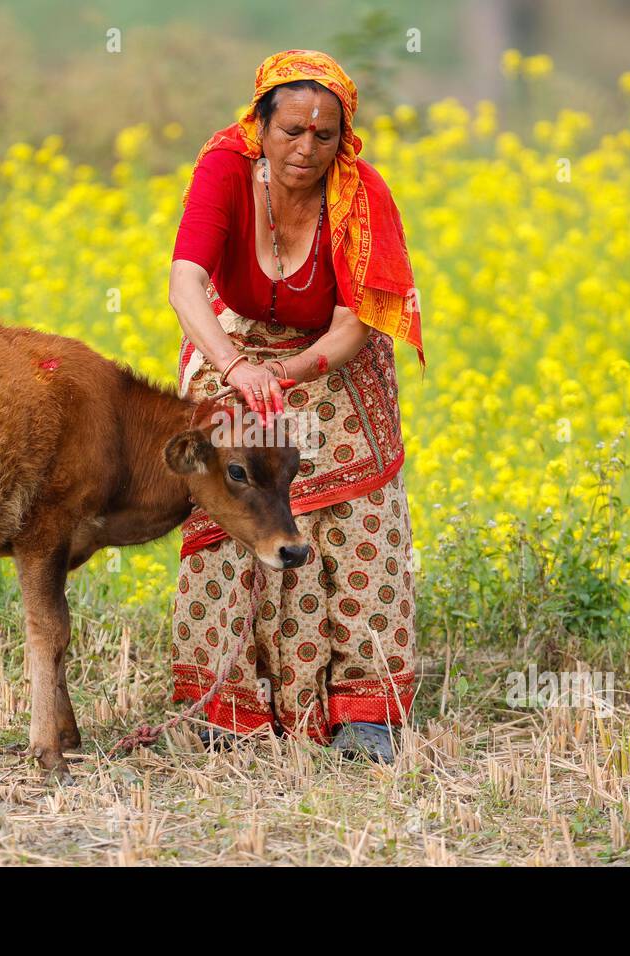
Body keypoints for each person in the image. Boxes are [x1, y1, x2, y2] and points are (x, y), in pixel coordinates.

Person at [167, 49, 424, 762]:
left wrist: (290, 371)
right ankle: (229, 704)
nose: (305, 149)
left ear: (344, 140)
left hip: (332, 353)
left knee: (352, 515)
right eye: (290, 132)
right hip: (235, 339)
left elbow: (350, 327)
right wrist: (236, 367)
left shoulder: (361, 195)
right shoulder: (222, 167)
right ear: (260, 126)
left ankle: (363, 712)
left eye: (324, 135)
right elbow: (186, 284)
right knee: (227, 490)